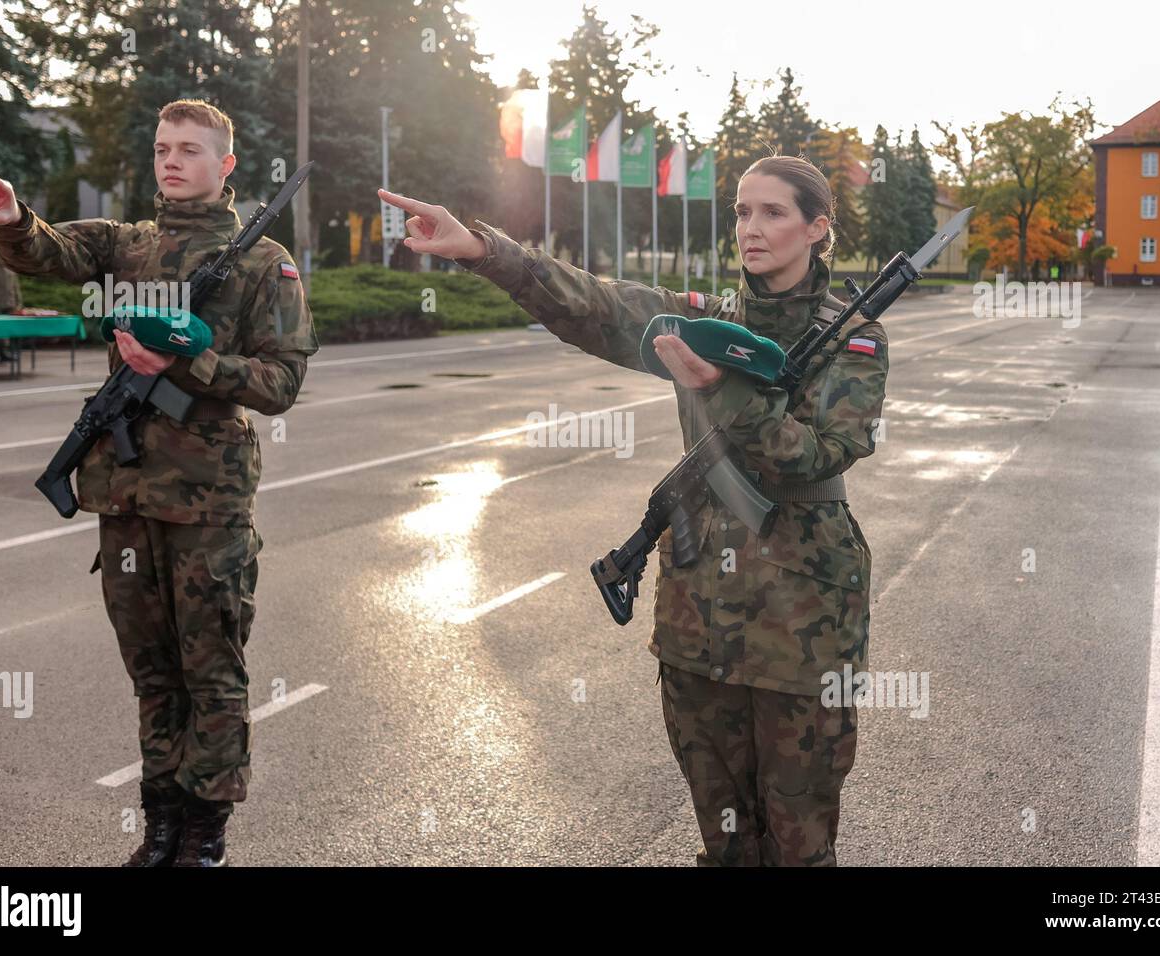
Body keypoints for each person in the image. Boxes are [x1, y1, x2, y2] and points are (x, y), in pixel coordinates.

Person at [379, 153, 888, 866]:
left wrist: (727, 390)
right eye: (742, 211)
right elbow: (594, 304)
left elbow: (820, 454)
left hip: (804, 622)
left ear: (817, 227)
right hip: (699, 616)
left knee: (799, 843)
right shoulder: (700, 322)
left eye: (773, 212)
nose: (751, 227)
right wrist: (483, 250)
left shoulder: (854, 335)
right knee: (727, 842)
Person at [0, 98, 319, 867]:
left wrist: (187, 363)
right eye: (162, 147)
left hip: (208, 506)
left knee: (212, 673)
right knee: (152, 673)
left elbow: (281, 382)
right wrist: (10, 217)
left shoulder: (264, 262)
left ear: (224, 166)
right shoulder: (129, 244)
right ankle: (158, 830)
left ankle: (205, 838)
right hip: (125, 498)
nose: (171, 160)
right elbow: (49, 254)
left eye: (190, 149)